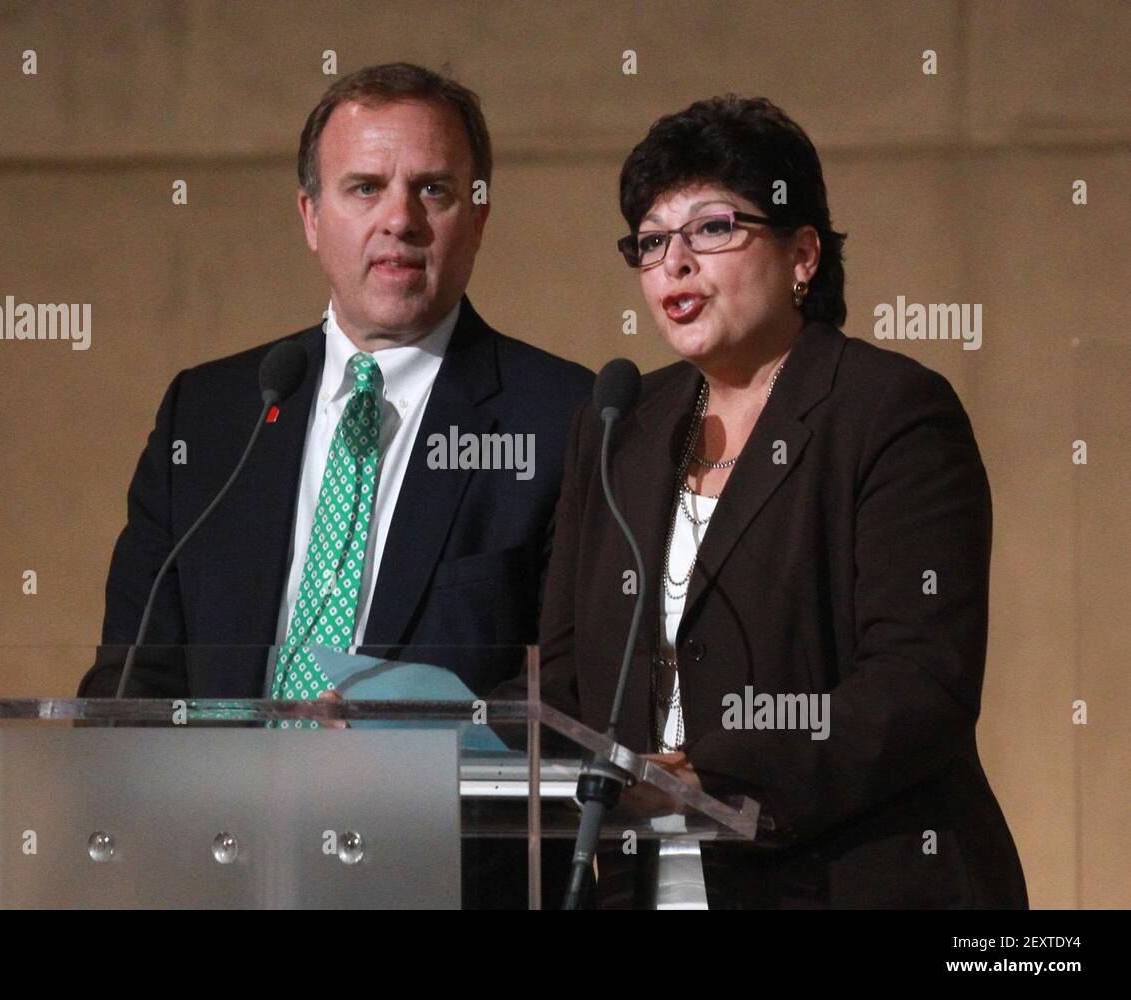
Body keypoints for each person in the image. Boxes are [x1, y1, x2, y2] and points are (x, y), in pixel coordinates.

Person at [79, 63, 592, 908]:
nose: (400, 219)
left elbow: (571, 689)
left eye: (433, 189)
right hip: (217, 878)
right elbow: (130, 673)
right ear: (311, 217)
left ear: (480, 215)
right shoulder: (207, 416)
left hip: (443, 877)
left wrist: (394, 758)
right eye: (364, 188)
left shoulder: (560, 416)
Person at [535, 95, 1028, 908]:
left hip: (848, 879)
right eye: (652, 240)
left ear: (803, 254)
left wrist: (710, 781)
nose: (674, 263)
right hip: (645, 886)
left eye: (714, 228)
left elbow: (917, 686)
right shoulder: (616, 426)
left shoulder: (889, 411)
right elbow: (563, 673)